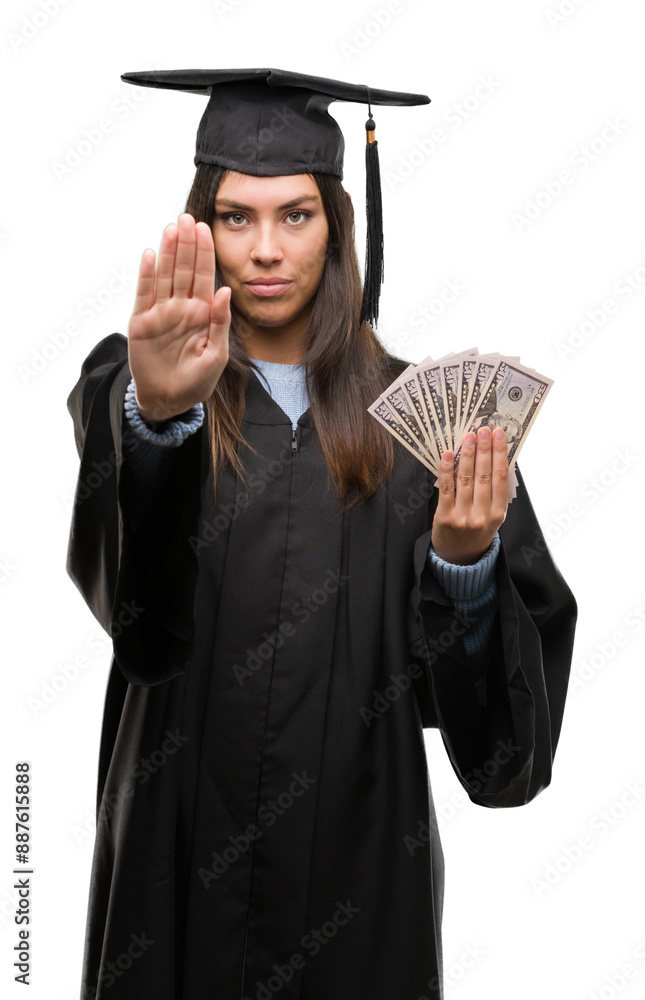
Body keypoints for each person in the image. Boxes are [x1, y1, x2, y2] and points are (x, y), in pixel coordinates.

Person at [66, 68, 577, 1000]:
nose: (264, 249)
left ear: (338, 224)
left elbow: (501, 764)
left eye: (295, 215)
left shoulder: (424, 427)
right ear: (201, 225)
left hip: (360, 873)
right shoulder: (131, 385)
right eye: (235, 217)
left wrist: (463, 569)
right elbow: (138, 630)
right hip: (174, 861)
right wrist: (156, 420)